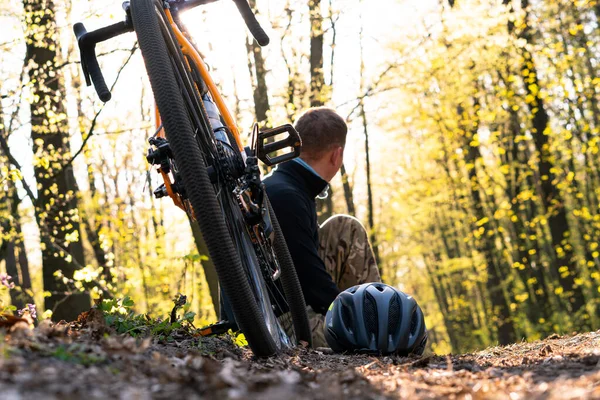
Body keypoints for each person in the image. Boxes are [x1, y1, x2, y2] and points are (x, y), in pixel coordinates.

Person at [264, 107, 381, 347]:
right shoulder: (287, 196)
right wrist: (352, 315)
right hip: (281, 324)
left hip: (287, 308)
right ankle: (377, 322)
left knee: (345, 227)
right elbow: (309, 280)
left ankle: (373, 315)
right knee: (372, 336)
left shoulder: (287, 185)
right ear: (336, 155)